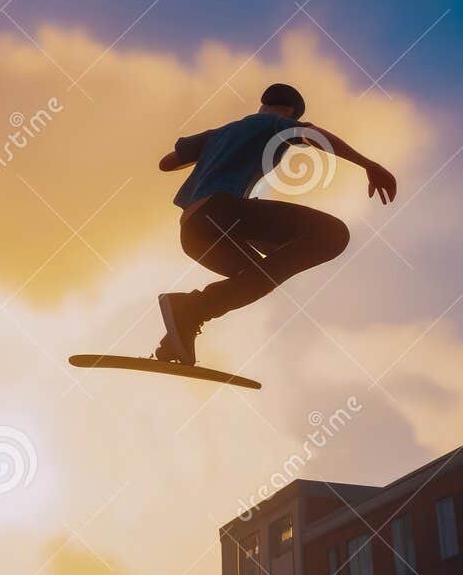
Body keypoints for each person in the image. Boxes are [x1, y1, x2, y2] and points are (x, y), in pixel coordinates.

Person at [154, 83, 396, 365]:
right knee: (333, 234)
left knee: (258, 279)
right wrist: (369, 165)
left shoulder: (218, 133)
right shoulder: (273, 123)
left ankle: (176, 335)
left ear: (263, 102)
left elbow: (167, 163)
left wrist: (211, 150)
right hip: (220, 212)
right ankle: (193, 308)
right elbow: (312, 135)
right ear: (291, 111)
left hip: (193, 232)